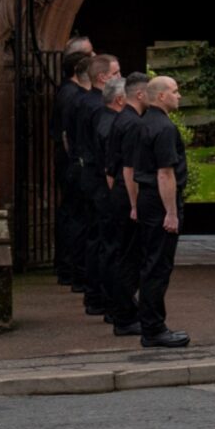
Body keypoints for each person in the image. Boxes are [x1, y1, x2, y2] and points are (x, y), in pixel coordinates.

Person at [133, 76, 191, 349]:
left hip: (146, 199)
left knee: (149, 263)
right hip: (159, 203)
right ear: (161, 97)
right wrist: (171, 213)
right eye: (175, 91)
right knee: (158, 266)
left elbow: (133, 169)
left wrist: (135, 205)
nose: (179, 96)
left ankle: (150, 324)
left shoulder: (143, 123)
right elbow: (165, 173)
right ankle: (154, 329)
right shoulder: (164, 128)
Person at [72, 54, 120, 316]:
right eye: (116, 72)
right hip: (98, 179)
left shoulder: (84, 102)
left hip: (87, 175)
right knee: (103, 239)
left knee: (94, 237)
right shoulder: (97, 107)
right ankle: (100, 295)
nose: (119, 77)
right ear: (104, 77)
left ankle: (94, 295)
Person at [103, 73, 150, 336]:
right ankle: (125, 315)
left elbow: (111, 169)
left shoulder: (121, 120)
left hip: (119, 194)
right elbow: (129, 169)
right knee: (130, 258)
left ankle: (123, 311)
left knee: (123, 254)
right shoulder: (132, 124)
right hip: (127, 195)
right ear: (140, 95)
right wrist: (134, 204)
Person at [51, 47, 96, 291]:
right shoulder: (73, 96)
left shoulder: (70, 93)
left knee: (73, 215)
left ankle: (70, 268)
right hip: (75, 166)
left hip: (72, 164)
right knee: (76, 217)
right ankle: (72, 269)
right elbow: (67, 135)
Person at [87, 71, 127, 327]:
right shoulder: (111, 124)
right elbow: (111, 168)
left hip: (99, 190)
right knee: (113, 249)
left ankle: (103, 299)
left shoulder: (102, 117)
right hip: (107, 193)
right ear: (121, 100)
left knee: (105, 245)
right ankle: (113, 303)